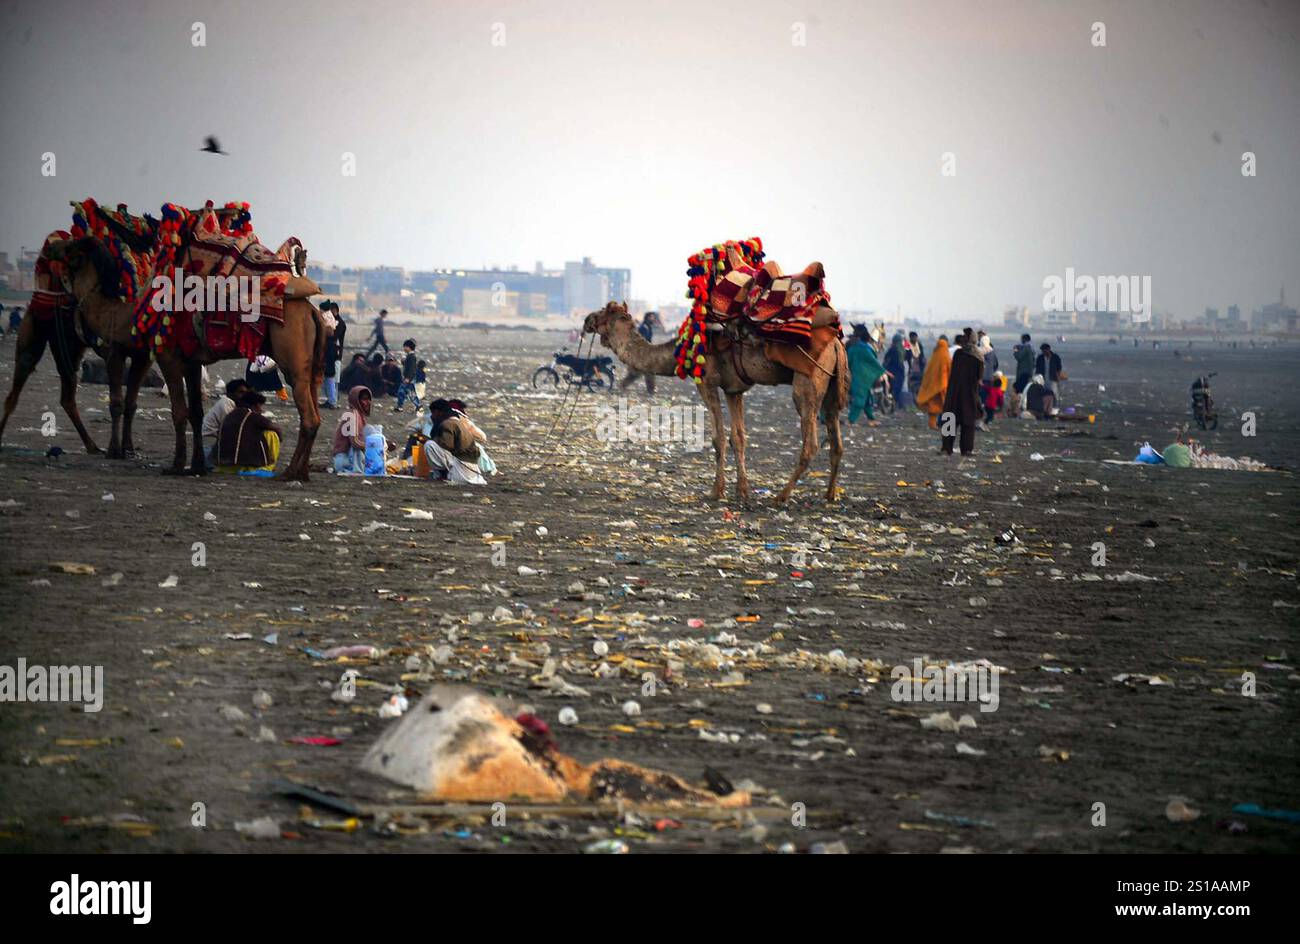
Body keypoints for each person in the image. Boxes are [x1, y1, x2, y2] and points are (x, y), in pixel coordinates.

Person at [418, 398, 491, 484]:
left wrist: (430, 439)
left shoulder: (448, 423)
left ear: (438, 412)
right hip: (470, 464)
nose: (432, 416)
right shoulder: (456, 421)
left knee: (429, 445)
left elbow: (447, 445)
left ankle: (443, 474)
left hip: (462, 466)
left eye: (433, 413)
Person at [214, 390, 282, 475]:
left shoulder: (230, 415)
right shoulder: (252, 416)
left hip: (223, 462)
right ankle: (267, 466)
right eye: (261, 406)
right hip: (243, 463)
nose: (261, 410)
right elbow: (277, 428)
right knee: (271, 434)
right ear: (256, 405)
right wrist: (280, 438)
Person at [941, 329, 983, 456]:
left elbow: (978, 378)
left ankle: (967, 449)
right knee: (949, 419)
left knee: (968, 423)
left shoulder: (977, 357)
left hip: (968, 393)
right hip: (955, 391)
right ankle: (946, 447)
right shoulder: (959, 353)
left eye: (966, 336)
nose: (964, 338)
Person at [200, 378, 250, 469]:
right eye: (240, 392)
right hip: (209, 449)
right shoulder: (226, 403)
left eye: (246, 393)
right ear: (230, 394)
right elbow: (232, 429)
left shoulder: (233, 404)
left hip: (213, 446)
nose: (244, 396)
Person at [846, 324, 885, 425]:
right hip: (860, 378)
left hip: (863, 377)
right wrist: (882, 371)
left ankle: (871, 419)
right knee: (860, 400)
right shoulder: (861, 348)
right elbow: (873, 362)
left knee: (867, 400)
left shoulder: (858, 347)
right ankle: (851, 420)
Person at [332, 385, 372, 473]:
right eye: (364, 399)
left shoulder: (358, 415)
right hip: (344, 460)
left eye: (369, 399)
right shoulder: (352, 415)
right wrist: (376, 446)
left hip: (347, 458)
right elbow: (355, 442)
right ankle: (357, 469)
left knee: (371, 432)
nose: (368, 402)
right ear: (356, 401)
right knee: (370, 432)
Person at [915, 336, 952, 429]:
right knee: (947, 405)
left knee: (933, 406)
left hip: (933, 386)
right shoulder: (946, 356)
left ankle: (932, 424)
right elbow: (950, 370)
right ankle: (947, 425)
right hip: (943, 385)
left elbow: (928, 372)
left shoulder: (933, 357)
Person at [619, 312, 660, 394]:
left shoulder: (647, 327)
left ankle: (651, 390)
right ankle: (623, 385)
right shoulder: (644, 328)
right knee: (641, 373)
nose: (653, 319)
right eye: (652, 317)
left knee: (641, 373)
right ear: (648, 318)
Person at [321, 301, 346, 409]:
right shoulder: (331, 321)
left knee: (333, 377)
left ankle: (333, 400)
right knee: (330, 377)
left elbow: (333, 336)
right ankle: (332, 399)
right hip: (331, 351)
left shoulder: (339, 323)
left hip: (334, 353)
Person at [394, 339, 420, 411]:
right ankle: (418, 405)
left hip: (409, 379)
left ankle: (400, 406)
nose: (404, 348)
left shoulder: (411, 357)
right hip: (410, 379)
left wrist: (408, 378)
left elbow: (411, 369)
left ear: (409, 347)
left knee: (401, 392)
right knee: (411, 393)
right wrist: (403, 362)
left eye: (405, 347)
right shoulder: (410, 356)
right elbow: (409, 367)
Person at [883, 332, 907, 407]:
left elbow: (886, 360)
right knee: (897, 388)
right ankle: (895, 403)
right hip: (899, 372)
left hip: (892, 372)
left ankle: (892, 403)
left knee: (891, 389)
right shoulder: (903, 350)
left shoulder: (892, 349)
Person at [905, 331, 926, 405]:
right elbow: (906, 355)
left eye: (916, 337)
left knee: (920, 385)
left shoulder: (919, 345)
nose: (915, 339)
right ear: (911, 338)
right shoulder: (907, 345)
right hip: (911, 368)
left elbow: (922, 356)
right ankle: (911, 401)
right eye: (914, 337)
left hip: (919, 369)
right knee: (910, 385)